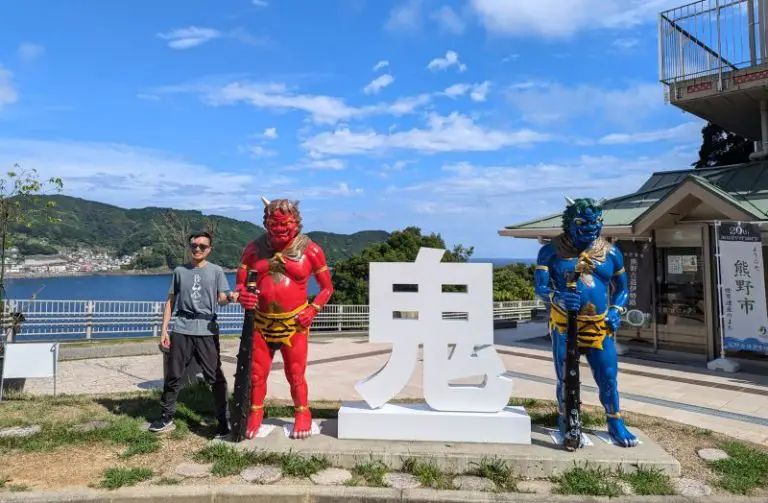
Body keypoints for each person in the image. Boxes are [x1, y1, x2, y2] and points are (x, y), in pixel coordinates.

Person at [148, 231, 238, 436]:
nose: (197, 249)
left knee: (214, 376)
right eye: (194, 245)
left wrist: (231, 297)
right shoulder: (179, 271)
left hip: (207, 330)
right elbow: (170, 301)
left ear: (209, 249)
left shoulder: (216, 271)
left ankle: (223, 420)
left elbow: (221, 299)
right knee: (174, 374)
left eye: (202, 246)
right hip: (181, 328)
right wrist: (164, 330)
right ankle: (166, 417)